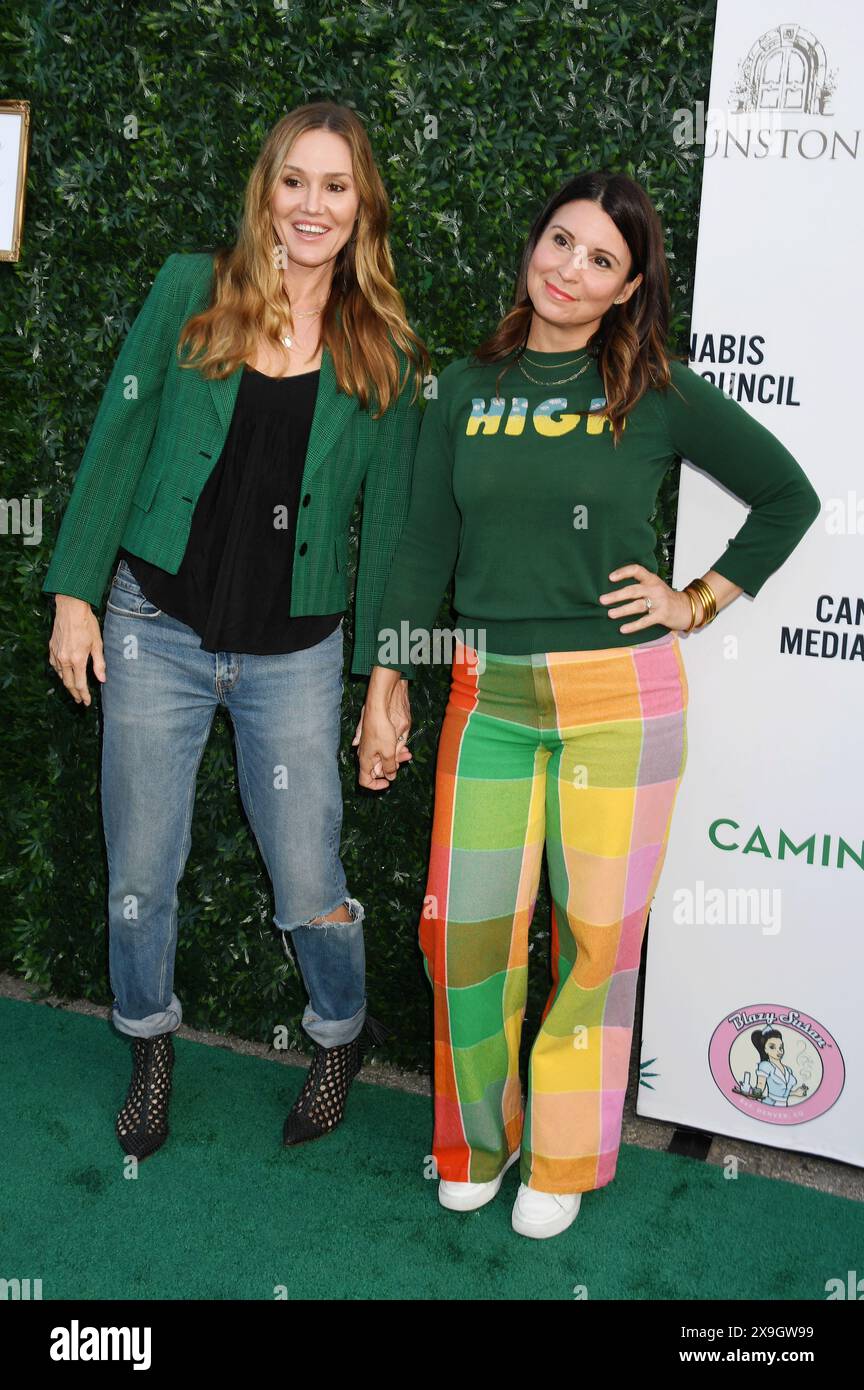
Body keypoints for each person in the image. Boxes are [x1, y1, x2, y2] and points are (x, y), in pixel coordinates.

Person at [356, 169, 821, 1240]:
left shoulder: (654, 391)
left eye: (601, 259)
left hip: (623, 701)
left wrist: (696, 597)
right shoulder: (463, 387)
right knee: (462, 938)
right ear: (532, 247)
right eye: (559, 241)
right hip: (490, 696)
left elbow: (790, 496)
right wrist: (388, 678)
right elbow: (425, 541)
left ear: (629, 289)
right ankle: (479, 1136)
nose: (571, 267)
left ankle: (562, 1154)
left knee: (596, 945)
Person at [41, 102, 426, 1161]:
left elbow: (392, 531)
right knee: (140, 869)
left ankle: (340, 1035)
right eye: (294, 181)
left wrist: (388, 678)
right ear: (267, 190)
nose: (311, 205)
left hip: (293, 651)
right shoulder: (188, 290)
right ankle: (150, 1044)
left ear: (362, 208)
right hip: (150, 626)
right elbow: (119, 434)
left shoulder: (382, 343)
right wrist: (75, 593)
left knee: (308, 875)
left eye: (335, 187)